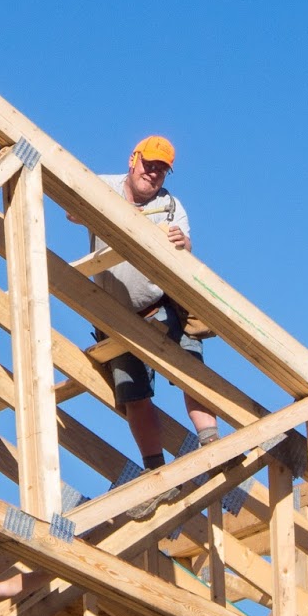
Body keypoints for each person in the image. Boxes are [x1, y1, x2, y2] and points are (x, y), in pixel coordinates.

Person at [82, 136, 219, 501]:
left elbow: (186, 249)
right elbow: (71, 207)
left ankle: (214, 448)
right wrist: (93, 209)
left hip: (159, 306)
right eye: (150, 164)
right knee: (135, 396)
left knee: (191, 371)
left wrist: (183, 245)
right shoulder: (102, 186)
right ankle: (157, 475)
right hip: (115, 316)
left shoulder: (171, 205)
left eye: (162, 169)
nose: (154, 173)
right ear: (133, 159)